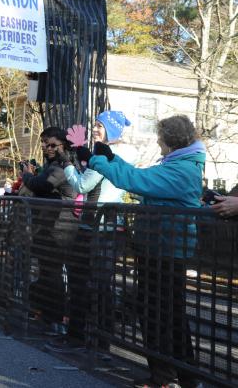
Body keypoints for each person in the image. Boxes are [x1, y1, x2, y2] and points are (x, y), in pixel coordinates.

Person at [88, 115, 203, 388]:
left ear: (169, 140)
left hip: (165, 249)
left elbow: (136, 180)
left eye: (160, 137)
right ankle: (176, 376)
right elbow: (142, 177)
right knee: (163, 312)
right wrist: (112, 158)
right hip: (159, 246)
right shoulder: (179, 164)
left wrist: (97, 161)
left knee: (161, 313)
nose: (158, 141)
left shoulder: (181, 170)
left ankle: (171, 377)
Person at [49, 111, 138, 355]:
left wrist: (68, 163)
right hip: (98, 226)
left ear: (112, 130)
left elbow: (82, 184)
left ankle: (89, 340)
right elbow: (89, 176)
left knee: (91, 284)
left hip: (100, 227)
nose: (95, 128)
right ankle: (92, 340)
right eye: (95, 124)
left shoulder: (107, 155)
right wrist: (80, 151)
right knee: (92, 284)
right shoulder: (109, 153)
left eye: (100, 125)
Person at [19, 127, 78, 342]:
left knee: (53, 274)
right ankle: (46, 316)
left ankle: (55, 319)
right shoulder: (52, 165)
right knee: (46, 272)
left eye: (52, 144)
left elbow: (43, 185)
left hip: (61, 228)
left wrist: (27, 175)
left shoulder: (63, 166)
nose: (46, 147)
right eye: (44, 143)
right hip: (47, 226)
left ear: (64, 145)